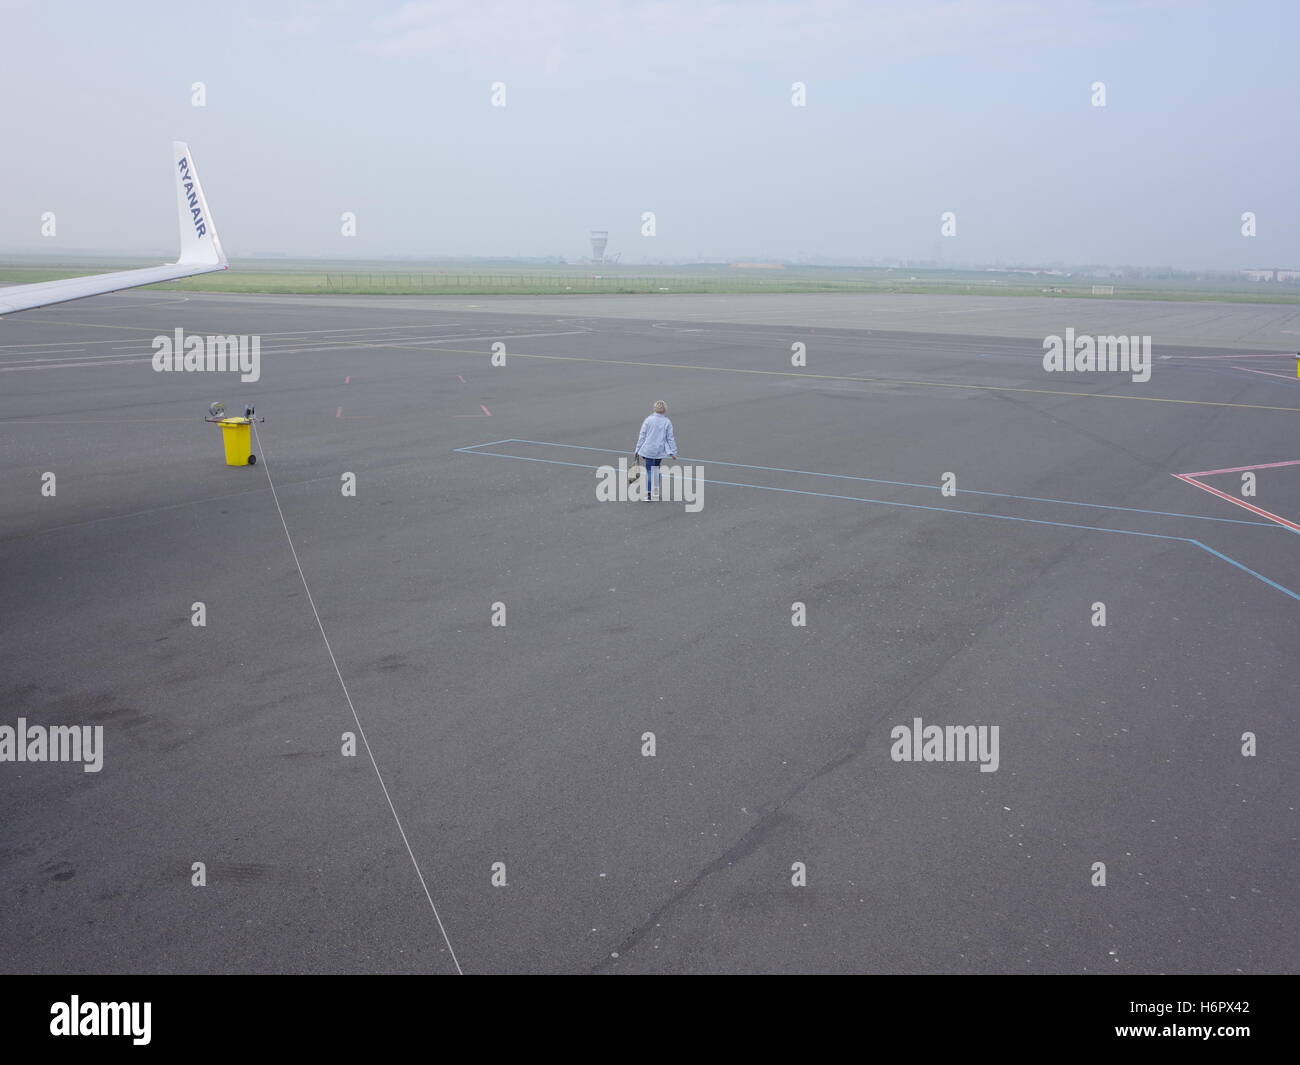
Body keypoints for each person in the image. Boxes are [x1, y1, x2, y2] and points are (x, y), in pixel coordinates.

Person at [634, 400, 678, 501]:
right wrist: (673, 452)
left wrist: (637, 449)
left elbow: (642, 436)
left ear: (654, 409)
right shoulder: (667, 422)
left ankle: (648, 494)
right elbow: (670, 438)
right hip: (659, 450)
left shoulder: (648, 420)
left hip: (648, 450)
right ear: (665, 410)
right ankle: (656, 493)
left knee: (649, 470)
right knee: (656, 469)